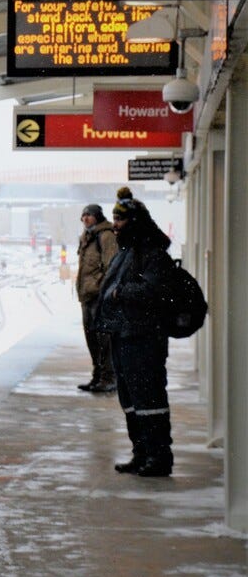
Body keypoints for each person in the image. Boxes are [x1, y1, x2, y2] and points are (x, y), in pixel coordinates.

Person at [94, 187, 175, 477]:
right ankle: (141, 453)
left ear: (135, 221)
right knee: (130, 400)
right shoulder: (126, 253)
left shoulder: (152, 254)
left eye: (120, 219)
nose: (115, 224)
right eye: (114, 218)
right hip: (123, 336)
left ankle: (158, 457)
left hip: (144, 338)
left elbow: (153, 290)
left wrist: (120, 293)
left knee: (149, 399)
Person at [75, 204, 117, 392]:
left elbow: (110, 265)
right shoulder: (86, 237)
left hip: (99, 296)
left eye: (89, 215)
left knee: (103, 339)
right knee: (91, 338)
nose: (85, 219)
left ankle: (108, 377)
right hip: (87, 296)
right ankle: (97, 376)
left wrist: (103, 289)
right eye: (83, 216)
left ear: (98, 216)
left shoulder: (106, 236)